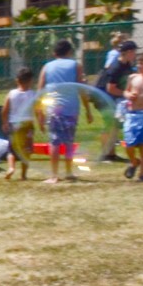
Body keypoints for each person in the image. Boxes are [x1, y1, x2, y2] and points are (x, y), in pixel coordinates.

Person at [37, 39, 91, 185]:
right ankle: (69, 172)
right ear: (69, 52)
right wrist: (88, 109)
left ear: (55, 53)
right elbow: (81, 88)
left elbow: (40, 91)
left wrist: (39, 112)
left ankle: (54, 175)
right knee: (69, 141)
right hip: (71, 108)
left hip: (53, 108)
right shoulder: (75, 65)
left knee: (54, 141)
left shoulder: (47, 67)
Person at [2, 67, 36, 182]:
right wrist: (41, 121)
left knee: (12, 150)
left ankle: (11, 167)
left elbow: (4, 110)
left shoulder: (11, 94)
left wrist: (5, 122)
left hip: (14, 124)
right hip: (28, 124)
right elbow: (38, 110)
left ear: (17, 80)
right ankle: (23, 175)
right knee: (26, 149)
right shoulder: (32, 94)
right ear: (31, 81)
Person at [119, 71, 143, 181]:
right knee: (129, 143)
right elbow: (126, 91)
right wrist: (128, 95)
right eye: (139, 63)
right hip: (132, 114)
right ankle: (134, 161)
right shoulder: (133, 77)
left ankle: (142, 174)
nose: (140, 66)